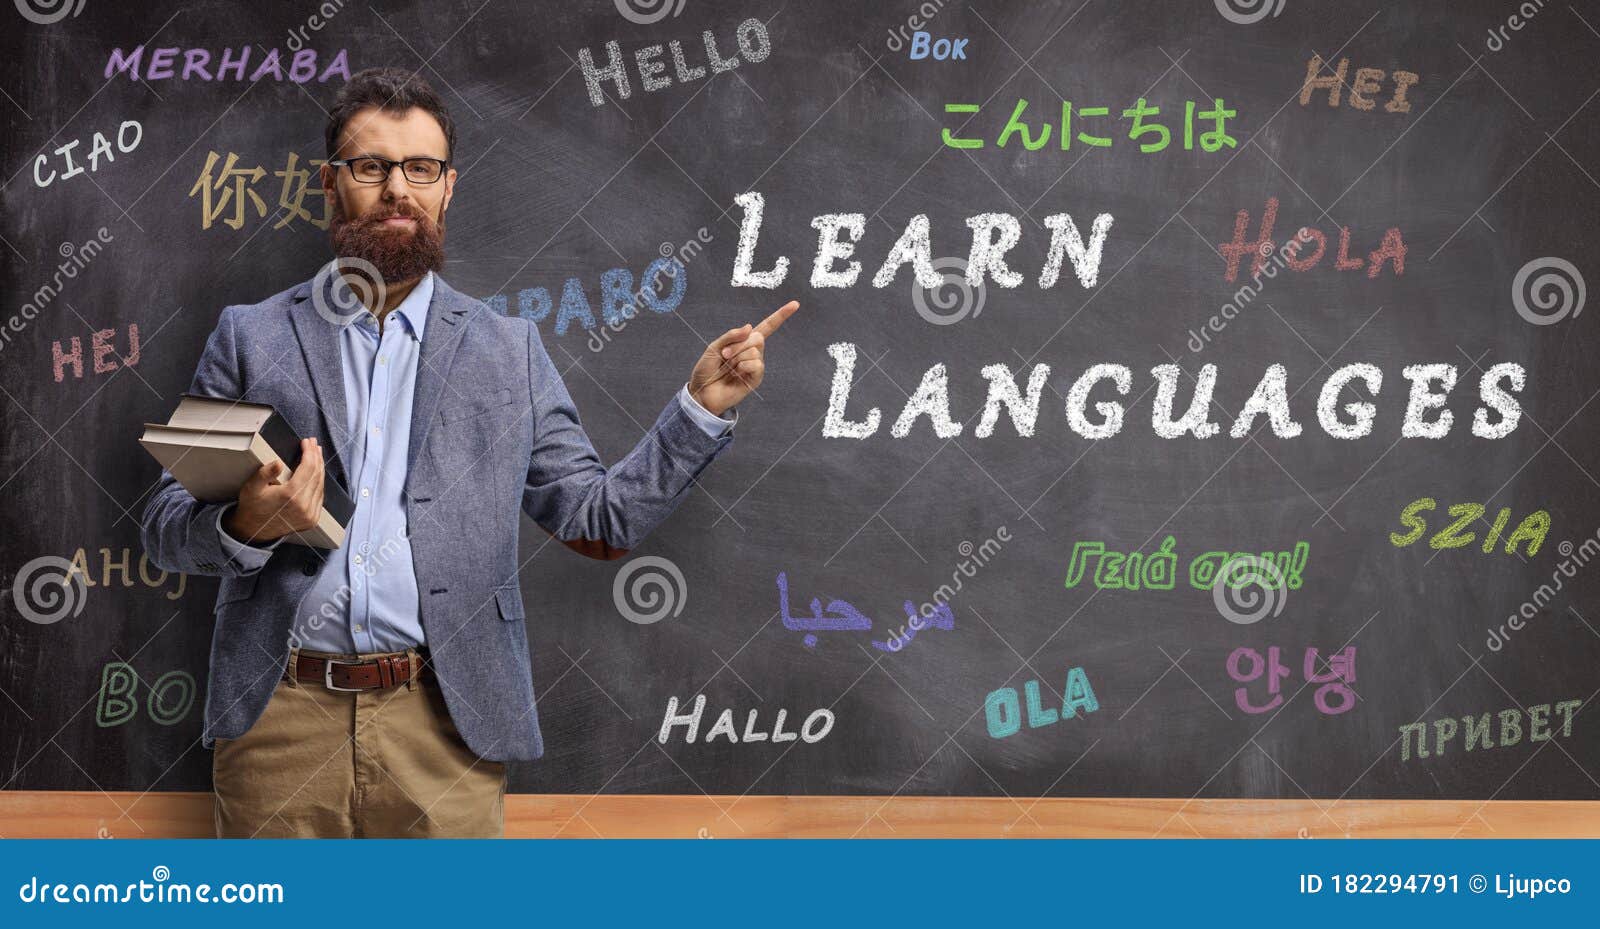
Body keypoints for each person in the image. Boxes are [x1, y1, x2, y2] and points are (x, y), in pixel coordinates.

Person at [139, 67, 798, 838]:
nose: (397, 189)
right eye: (371, 166)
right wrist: (246, 525)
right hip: (278, 723)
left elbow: (598, 519)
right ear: (330, 183)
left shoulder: (506, 351)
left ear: (448, 188)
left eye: (421, 168)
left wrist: (698, 410)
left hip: (447, 724)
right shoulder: (251, 336)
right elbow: (163, 522)